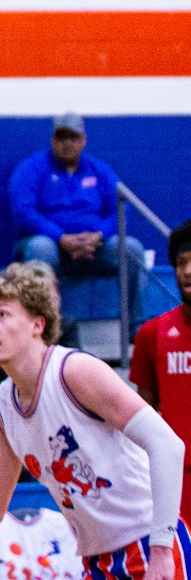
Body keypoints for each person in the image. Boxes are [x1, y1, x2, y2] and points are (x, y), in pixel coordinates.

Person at [0, 264, 189, 580]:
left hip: (149, 542)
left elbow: (167, 444)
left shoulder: (74, 372)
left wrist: (162, 549)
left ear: (37, 324)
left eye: (2, 315)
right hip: (96, 559)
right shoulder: (1, 407)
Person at [11, 113, 143, 335]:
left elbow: (119, 209)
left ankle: (136, 327)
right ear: (52, 140)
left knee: (131, 248)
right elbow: (24, 212)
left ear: (83, 140)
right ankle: (48, 328)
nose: (67, 143)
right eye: (61, 137)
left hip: (94, 247)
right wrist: (61, 238)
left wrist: (98, 235)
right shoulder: (31, 168)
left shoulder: (99, 170)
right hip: (52, 247)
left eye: (73, 137)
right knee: (40, 247)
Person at [130, 220, 191, 527]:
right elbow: (142, 415)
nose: (188, 271)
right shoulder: (152, 334)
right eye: (181, 263)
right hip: (174, 480)